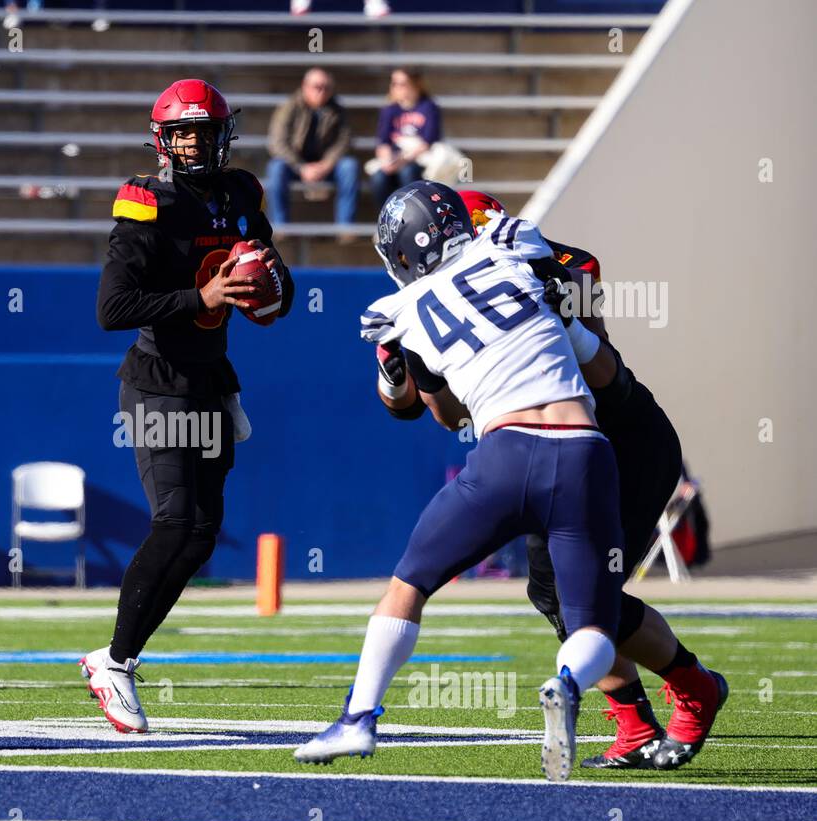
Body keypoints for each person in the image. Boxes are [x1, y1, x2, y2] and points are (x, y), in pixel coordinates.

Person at [296, 181, 636, 782]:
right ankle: (565, 682)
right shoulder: (511, 247)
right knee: (591, 629)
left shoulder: (399, 313)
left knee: (409, 583)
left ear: (400, 255)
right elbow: (605, 366)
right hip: (585, 451)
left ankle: (357, 719)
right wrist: (568, 326)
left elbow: (442, 412)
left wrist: (395, 375)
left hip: (505, 454)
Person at [448, 190, 727, 769]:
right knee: (554, 594)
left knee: (586, 595)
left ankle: (690, 690)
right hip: (552, 451)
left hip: (621, 445)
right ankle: (639, 722)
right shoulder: (449, 296)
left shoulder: (564, 269)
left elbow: (605, 374)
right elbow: (448, 413)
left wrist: (560, 315)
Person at [85, 79, 294, 733]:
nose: (191, 144)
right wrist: (198, 301)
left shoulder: (240, 195)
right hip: (157, 380)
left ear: (222, 136)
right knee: (175, 522)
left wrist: (270, 292)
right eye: (180, 133)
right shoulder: (148, 201)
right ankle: (114, 664)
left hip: (210, 380)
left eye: (202, 133)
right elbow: (111, 309)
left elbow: (277, 282)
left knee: (201, 532)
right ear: (162, 140)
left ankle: (116, 657)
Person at [265, 68, 360, 232]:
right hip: (295, 165)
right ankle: (280, 227)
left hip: (327, 166)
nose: (321, 92)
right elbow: (277, 143)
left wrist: (325, 165)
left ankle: (346, 228)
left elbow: (344, 141)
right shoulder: (288, 108)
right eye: (317, 87)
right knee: (276, 168)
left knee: (350, 166)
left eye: (326, 88)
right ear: (305, 86)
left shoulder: (337, 109)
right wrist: (301, 167)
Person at [369, 68, 442, 210]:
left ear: (415, 85)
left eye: (402, 84)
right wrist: (388, 161)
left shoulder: (429, 107)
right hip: (395, 160)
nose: (396, 88)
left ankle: (413, 215)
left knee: (407, 172)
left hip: (418, 161)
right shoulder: (389, 109)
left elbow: (428, 142)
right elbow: (383, 143)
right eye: (394, 83)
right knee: (379, 177)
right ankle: (386, 218)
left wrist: (403, 161)